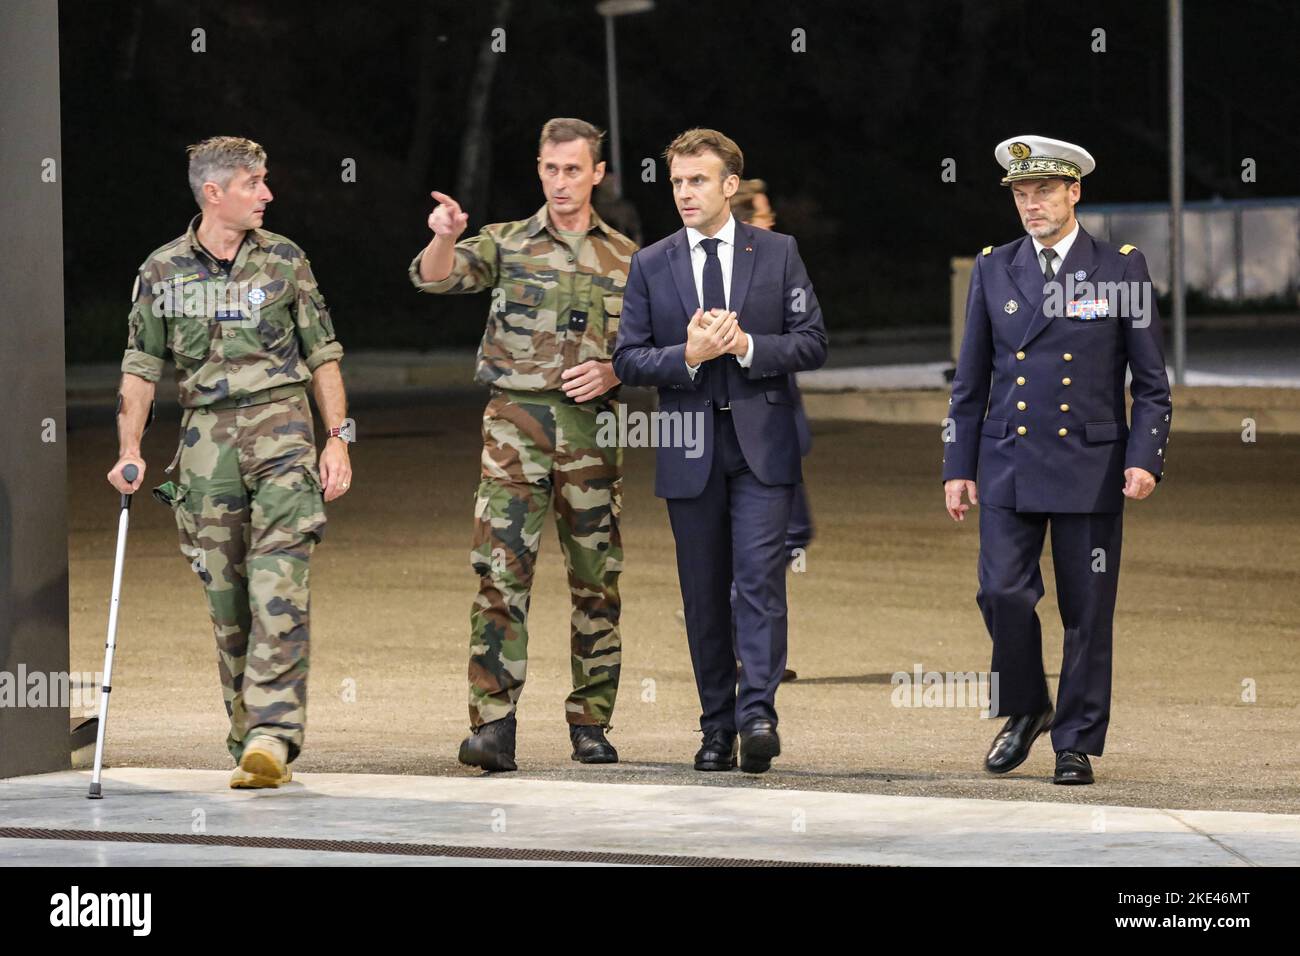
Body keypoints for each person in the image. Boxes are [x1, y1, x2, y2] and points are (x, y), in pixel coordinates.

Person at [108, 136, 352, 789]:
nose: (267, 194)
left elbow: (323, 353)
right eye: (253, 183)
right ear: (214, 192)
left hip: (283, 432)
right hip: (204, 447)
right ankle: (249, 740)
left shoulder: (286, 260)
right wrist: (130, 450)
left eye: (265, 181)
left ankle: (273, 732)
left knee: (279, 582)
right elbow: (140, 369)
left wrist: (339, 437)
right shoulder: (161, 272)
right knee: (228, 602)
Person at [943, 135, 1172, 786]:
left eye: (1044, 190)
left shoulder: (1120, 268)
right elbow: (971, 381)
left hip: (1090, 462)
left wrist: (1145, 455)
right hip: (1008, 460)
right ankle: (1026, 705)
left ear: (1075, 192)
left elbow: (1151, 382)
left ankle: (1074, 740)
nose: (1032, 203)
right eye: (1021, 192)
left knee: (1086, 611)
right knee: (1000, 592)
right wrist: (957, 466)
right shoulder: (994, 267)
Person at [410, 118, 637, 772]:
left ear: (598, 173)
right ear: (538, 168)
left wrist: (618, 370)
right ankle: (493, 726)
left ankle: (591, 723)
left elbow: (651, 349)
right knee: (500, 577)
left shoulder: (628, 257)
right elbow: (435, 279)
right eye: (550, 169)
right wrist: (445, 238)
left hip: (593, 434)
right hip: (514, 429)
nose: (561, 183)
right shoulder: (507, 243)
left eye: (573, 170)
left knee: (596, 582)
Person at [613, 129, 827, 774]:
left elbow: (812, 342)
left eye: (697, 180)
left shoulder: (780, 252)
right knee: (703, 594)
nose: (684, 192)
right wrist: (688, 355)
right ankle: (715, 726)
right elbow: (627, 358)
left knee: (760, 582)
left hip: (763, 448)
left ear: (730, 185)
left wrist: (747, 347)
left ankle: (758, 713)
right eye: (677, 181)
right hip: (690, 450)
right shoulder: (652, 263)